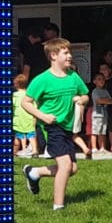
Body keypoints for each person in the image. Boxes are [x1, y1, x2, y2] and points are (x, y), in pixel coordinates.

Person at [24, 36, 91, 208]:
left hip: (68, 128)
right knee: (65, 165)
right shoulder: (42, 79)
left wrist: (82, 99)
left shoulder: (73, 76)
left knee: (72, 169)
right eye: (66, 53)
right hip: (51, 127)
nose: (70, 56)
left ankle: (34, 172)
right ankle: (58, 207)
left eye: (70, 53)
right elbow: (25, 102)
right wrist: (42, 116)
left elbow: (85, 95)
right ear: (53, 56)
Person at [12, 66, 39, 164]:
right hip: (29, 118)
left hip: (18, 119)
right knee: (31, 135)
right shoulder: (29, 95)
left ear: (16, 84)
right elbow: (35, 106)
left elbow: (13, 107)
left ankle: (15, 152)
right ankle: (35, 151)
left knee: (18, 136)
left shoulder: (14, 95)